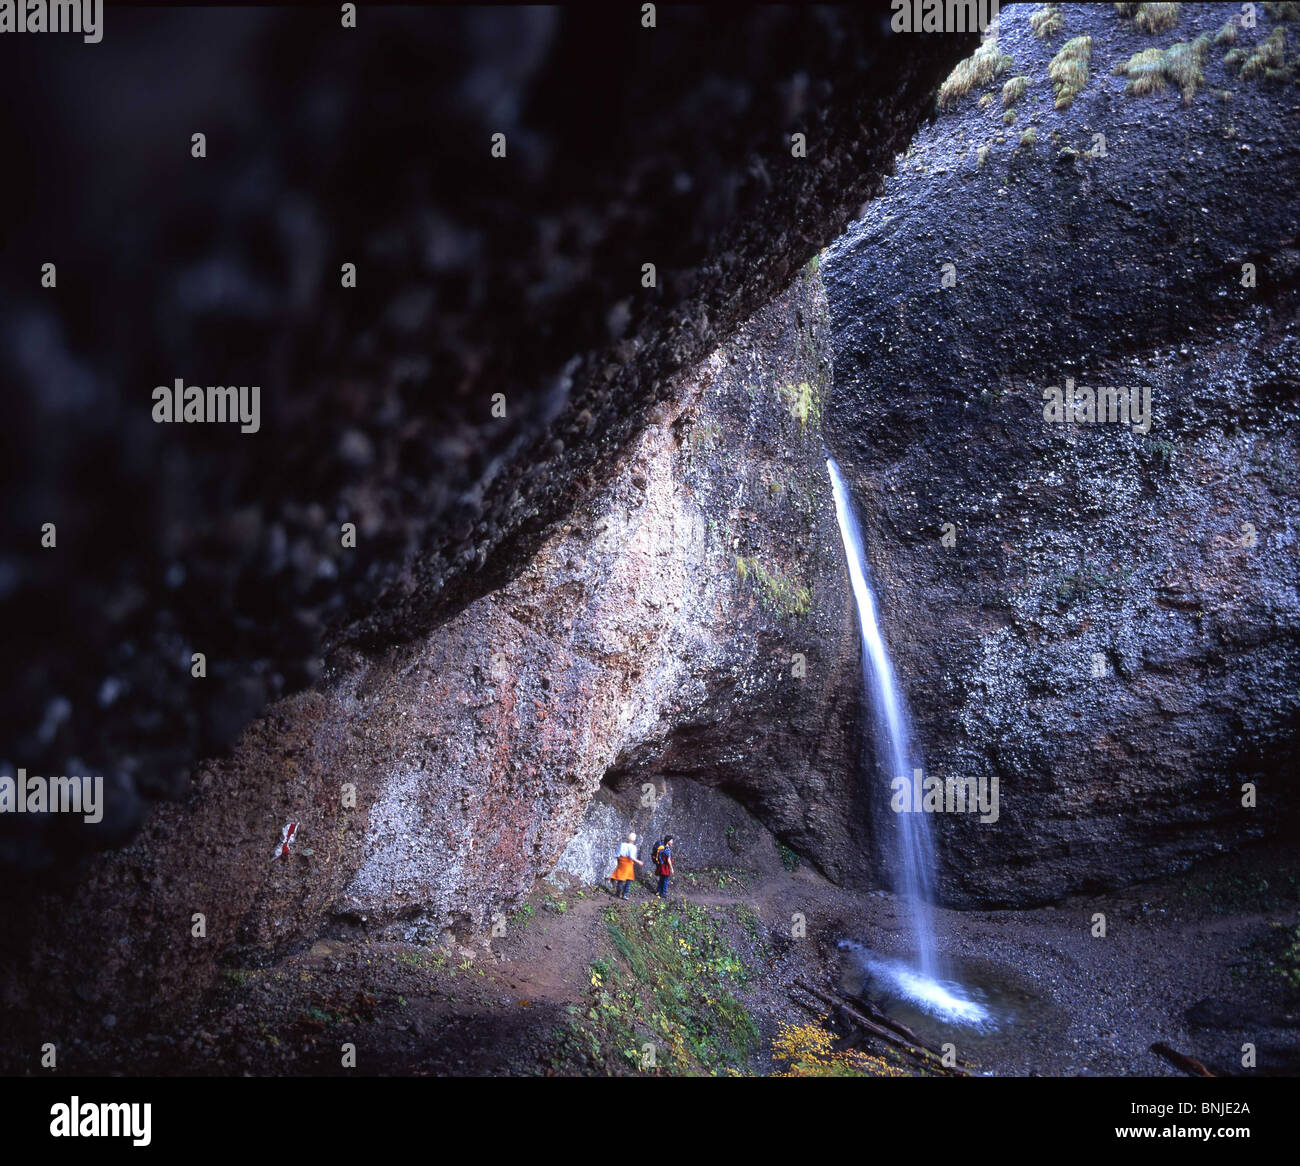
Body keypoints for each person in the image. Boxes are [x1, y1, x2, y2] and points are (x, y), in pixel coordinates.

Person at [610, 831, 643, 899]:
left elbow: (617, 855)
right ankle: (625, 894)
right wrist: (638, 862)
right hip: (628, 863)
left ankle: (618, 892)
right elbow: (632, 857)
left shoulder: (622, 845)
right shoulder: (633, 847)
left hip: (621, 862)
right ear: (634, 839)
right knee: (629, 879)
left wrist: (619, 862)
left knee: (621, 878)